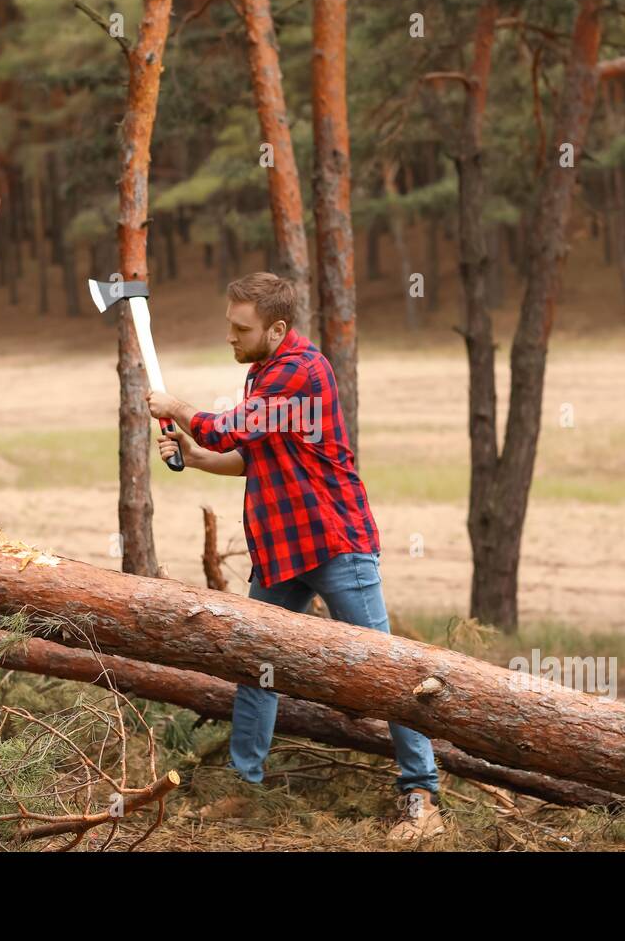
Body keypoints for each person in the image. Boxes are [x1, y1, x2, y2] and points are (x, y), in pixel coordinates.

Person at [144, 271, 444, 843]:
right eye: (229, 325)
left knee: (386, 671)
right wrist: (194, 455)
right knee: (257, 667)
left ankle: (421, 794)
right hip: (282, 554)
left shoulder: (302, 370)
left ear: (277, 328)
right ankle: (244, 786)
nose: (230, 337)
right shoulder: (264, 371)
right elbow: (254, 456)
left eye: (241, 328)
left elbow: (233, 428)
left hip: (335, 543)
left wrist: (178, 408)